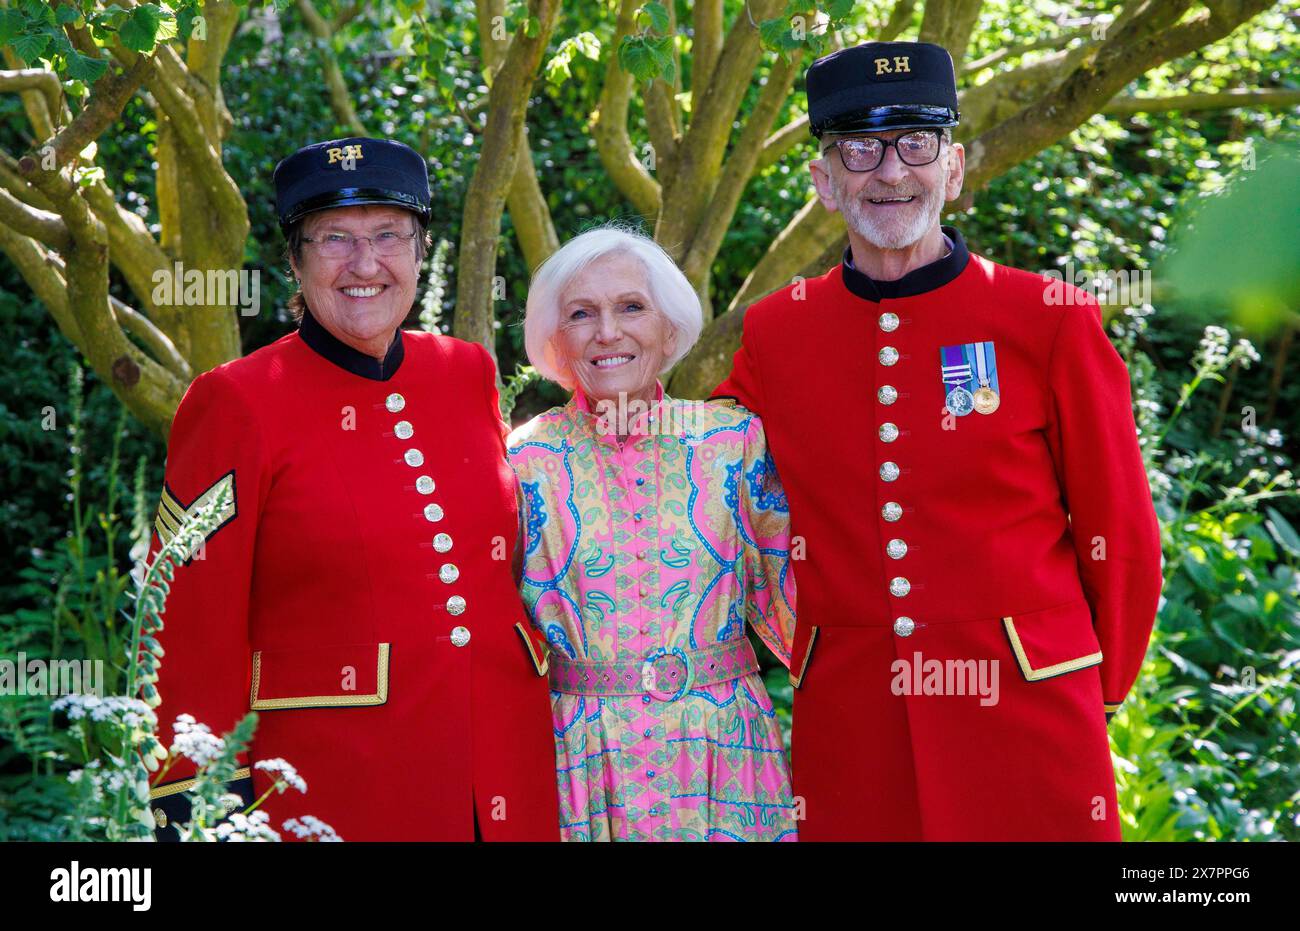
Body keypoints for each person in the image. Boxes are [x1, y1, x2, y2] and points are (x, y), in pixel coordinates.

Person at [712, 42, 1163, 841]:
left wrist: (1100, 678)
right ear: (824, 180)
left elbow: (1119, 525)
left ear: (952, 169)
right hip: (857, 722)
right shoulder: (778, 332)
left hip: (1026, 709)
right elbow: (702, 469)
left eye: (916, 143)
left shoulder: (1048, 317)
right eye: (860, 148)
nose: (891, 172)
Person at [146, 137, 558, 841]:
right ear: (294, 260)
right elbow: (190, 626)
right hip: (336, 787)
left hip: (503, 766)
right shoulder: (235, 402)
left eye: (389, 235)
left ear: (420, 250)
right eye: (334, 237)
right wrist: (195, 800)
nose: (365, 264)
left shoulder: (468, 373)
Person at [507, 226, 798, 841]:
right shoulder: (521, 461)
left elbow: (803, 598)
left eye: (631, 307)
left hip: (723, 752)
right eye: (582, 314)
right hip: (582, 762)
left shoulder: (735, 442)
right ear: (555, 341)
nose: (608, 332)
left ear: (669, 329)